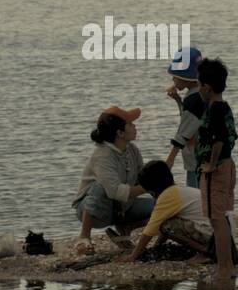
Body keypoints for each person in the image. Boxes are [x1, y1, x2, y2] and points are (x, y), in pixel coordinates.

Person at [72, 107, 155, 254]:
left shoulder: (132, 149)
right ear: (120, 133)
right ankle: (84, 236)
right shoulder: (102, 155)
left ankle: (127, 228)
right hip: (96, 211)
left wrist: (159, 186)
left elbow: (142, 177)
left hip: (123, 208)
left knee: (161, 206)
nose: (135, 127)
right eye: (130, 124)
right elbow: (116, 191)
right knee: (99, 187)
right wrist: (149, 186)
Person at [121, 161, 216, 263]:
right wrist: (156, 247)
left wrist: (133, 256)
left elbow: (149, 231)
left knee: (166, 225)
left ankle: (208, 253)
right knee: (167, 223)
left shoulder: (167, 196)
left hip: (212, 235)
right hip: (220, 233)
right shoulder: (178, 190)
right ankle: (208, 250)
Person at [195, 58, 238, 279]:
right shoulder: (222, 106)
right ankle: (227, 264)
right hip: (227, 166)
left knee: (217, 219)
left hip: (218, 169)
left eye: (198, 84)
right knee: (223, 216)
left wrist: (211, 164)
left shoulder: (215, 110)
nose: (197, 88)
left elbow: (219, 140)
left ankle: (224, 267)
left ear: (207, 87)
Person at [164, 46, 206, 186]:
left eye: (175, 76)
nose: (173, 79)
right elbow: (190, 120)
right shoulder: (202, 94)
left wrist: (170, 160)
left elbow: (183, 133)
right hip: (206, 159)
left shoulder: (194, 100)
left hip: (197, 162)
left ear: (185, 77)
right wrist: (178, 100)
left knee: (197, 198)